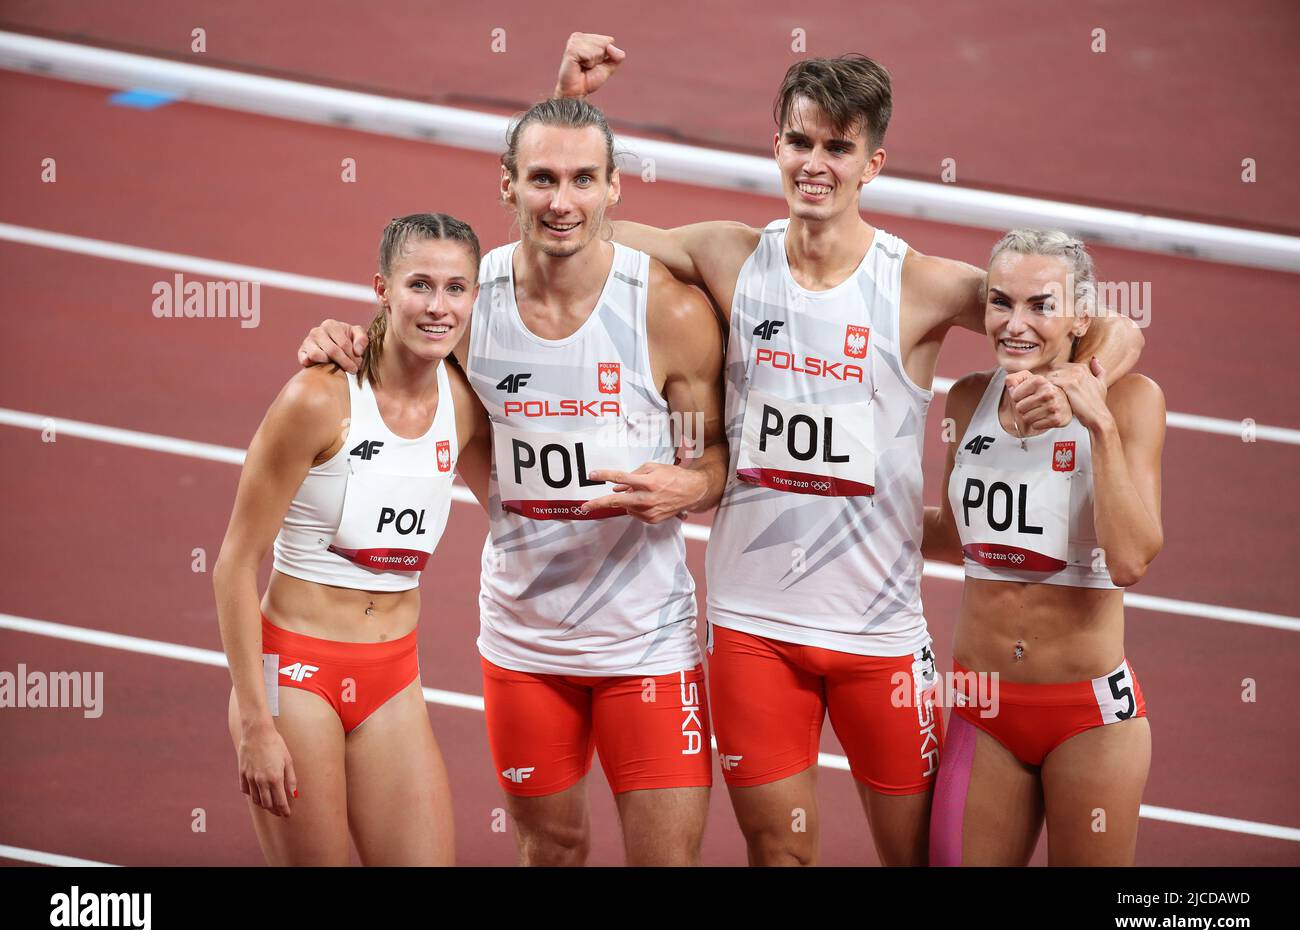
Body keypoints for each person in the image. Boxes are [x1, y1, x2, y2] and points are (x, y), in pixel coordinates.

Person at [539, 33, 1146, 866]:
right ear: (775, 144)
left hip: (880, 634)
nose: (814, 163)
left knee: (917, 857)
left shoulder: (919, 282)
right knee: (777, 852)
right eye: (800, 141)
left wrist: (1091, 379)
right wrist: (573, 101)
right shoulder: (730, 254)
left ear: (873, 161)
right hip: (753, 625)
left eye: (837, 146)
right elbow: (577, 226)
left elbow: (1099, 317)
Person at [298, 98, 728, 866]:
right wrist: (335, 339)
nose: (562, 202)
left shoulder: (668, 311)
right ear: (507, 186)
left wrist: (690, 488)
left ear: (614, 187)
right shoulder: (470, 305)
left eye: (582, 180)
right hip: (524, 640)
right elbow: (390, 352)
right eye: (541, 179)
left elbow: (717, 456)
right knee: (549, 848)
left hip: (646, 643)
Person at [214, 213, 491, 865]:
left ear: (476, 298)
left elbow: (523, 504)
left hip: (393, 678)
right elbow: (233, 565)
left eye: (457, 288)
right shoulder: (316, 399)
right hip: (297, 677)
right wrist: (255, 723)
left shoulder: (464, 404)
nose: (438, 305)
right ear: (382, 289)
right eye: (420, 284)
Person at [922, 230, 1163, 865]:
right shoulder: (968, 398)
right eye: (1000, 303)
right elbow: (952, 535)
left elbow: (1132, 558)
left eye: (1040, 306)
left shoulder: (1133, 401)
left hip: (1086, 714)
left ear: (1083, 316)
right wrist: (840, 506)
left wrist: (1098, 422)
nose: (1015, 324)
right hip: (982, 704)